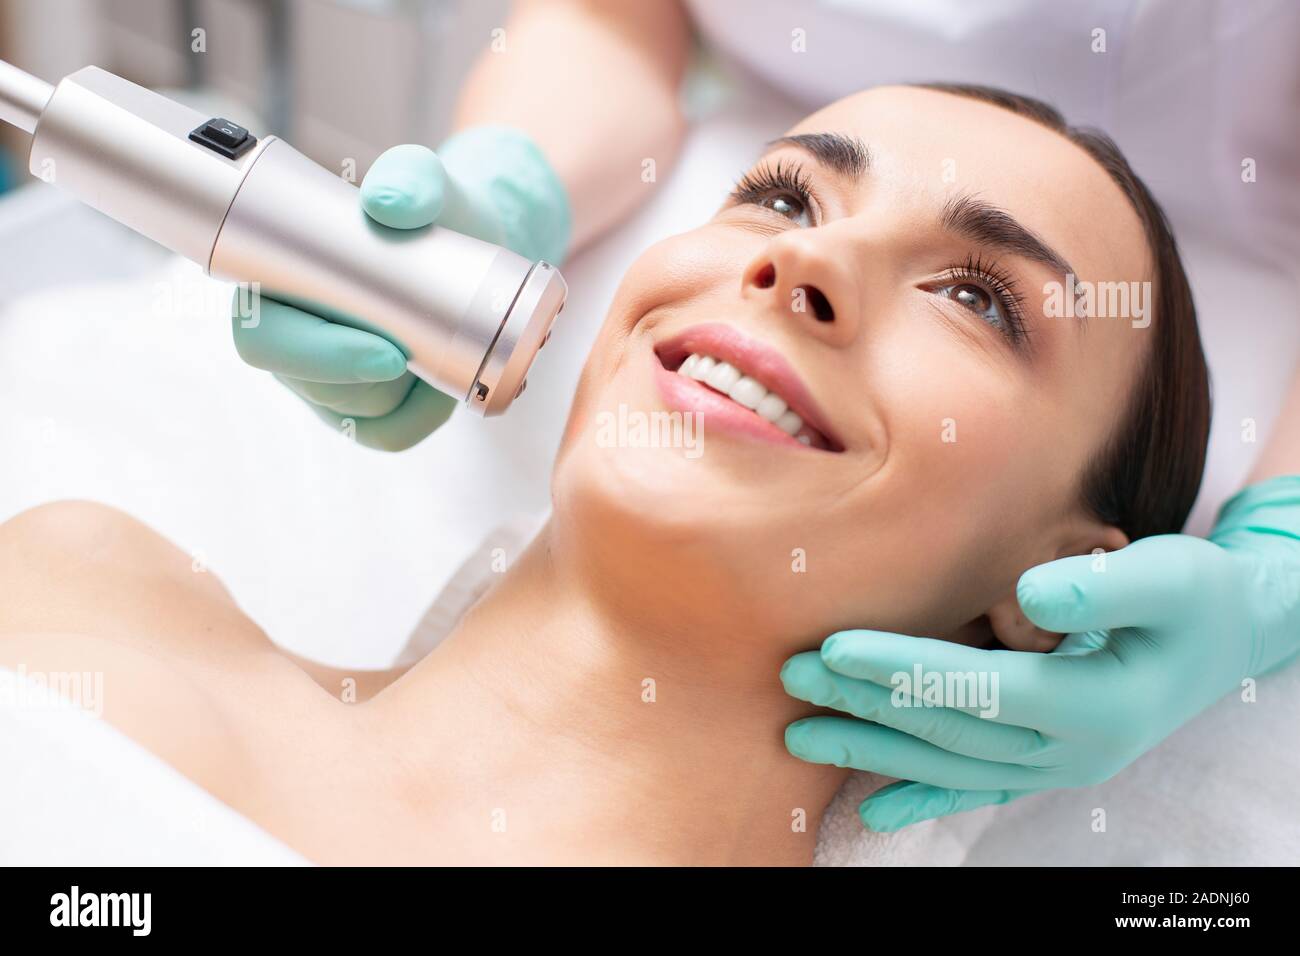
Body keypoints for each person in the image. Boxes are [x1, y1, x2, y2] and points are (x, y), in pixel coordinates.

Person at [228, 0, 1300, 831]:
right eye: (783, 200)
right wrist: (506, 197)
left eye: (976, 300)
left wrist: (1282, 559)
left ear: (1059, 585)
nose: (802, 259)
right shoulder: (128, 613)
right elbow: (610, 19)